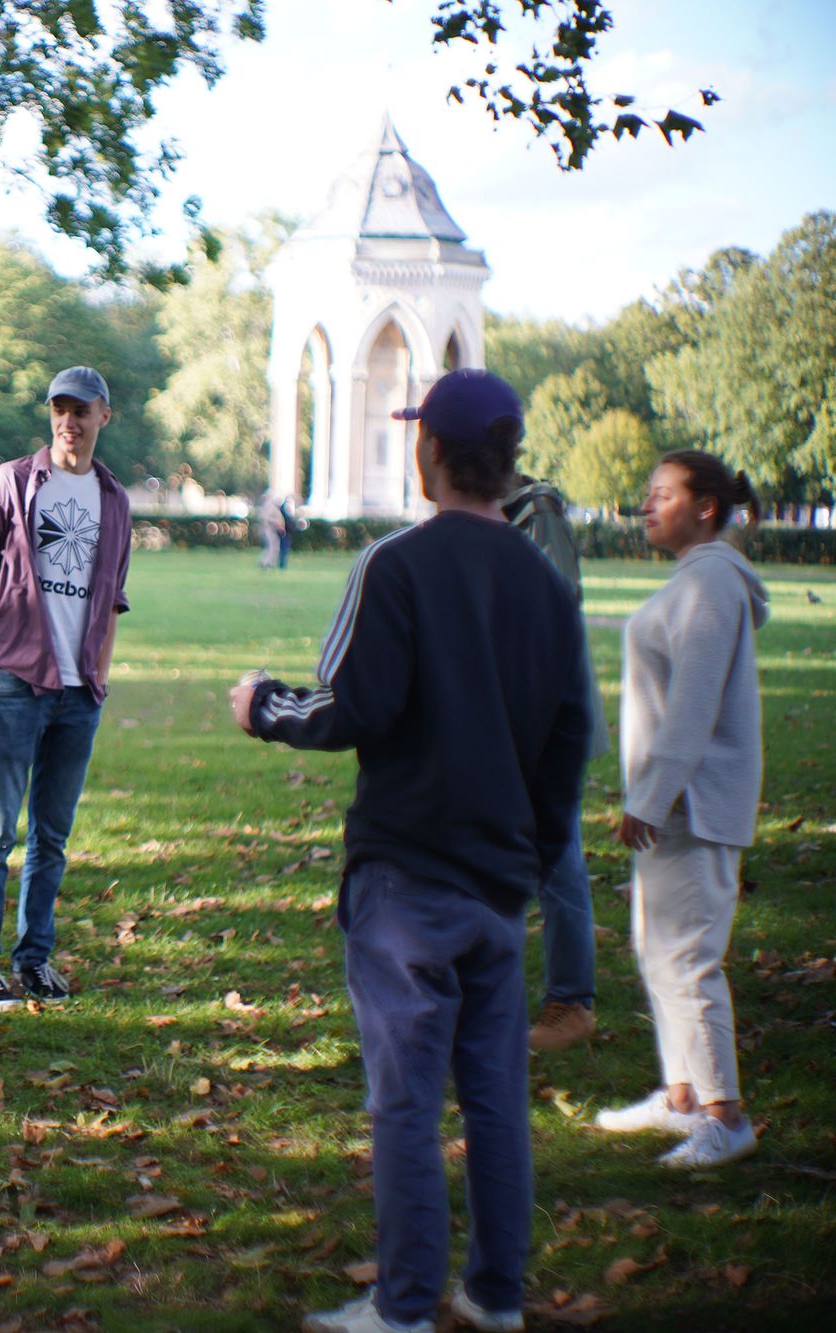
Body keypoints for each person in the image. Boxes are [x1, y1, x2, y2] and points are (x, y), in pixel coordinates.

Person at [231, 369, 589, 1333]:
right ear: (508, 461)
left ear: (429, 450)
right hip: (498, 884)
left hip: (406, 880)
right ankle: (496, 1295)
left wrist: (262, 705)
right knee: (496, 1098)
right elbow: (568, 745)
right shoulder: (549, 588)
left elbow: (353, 704)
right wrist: (530, 858)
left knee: (406, 1102)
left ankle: (402, 1307)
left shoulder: (394, 565)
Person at [0, 365, 133, 1010]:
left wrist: (98, 675)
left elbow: (113, 597)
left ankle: (35, 960)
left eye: (81, 410)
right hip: (16, 679)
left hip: (80, 692)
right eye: (59, 409)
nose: (69, 421)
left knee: (51, 837)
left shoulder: (115, 500)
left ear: (104, 417)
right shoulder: (12, 483)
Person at [594, 450, 767, 1170]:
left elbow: (693, 707)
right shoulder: (696, 577)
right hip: (673, 803)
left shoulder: (714, 582)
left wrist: (650, 797)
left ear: (706, 508)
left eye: (662, 494)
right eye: (648, 493)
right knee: (659, 950)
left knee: (688, 959)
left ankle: (726, 1118)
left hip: (693, 804)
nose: (647, 504)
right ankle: (683, 1097)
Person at [502, 475, 611, 1052]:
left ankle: (572, 1001)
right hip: (514, 723)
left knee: (558, 857)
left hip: (547, 724)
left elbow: (554, 614)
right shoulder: (497, 512)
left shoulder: (535, 511)